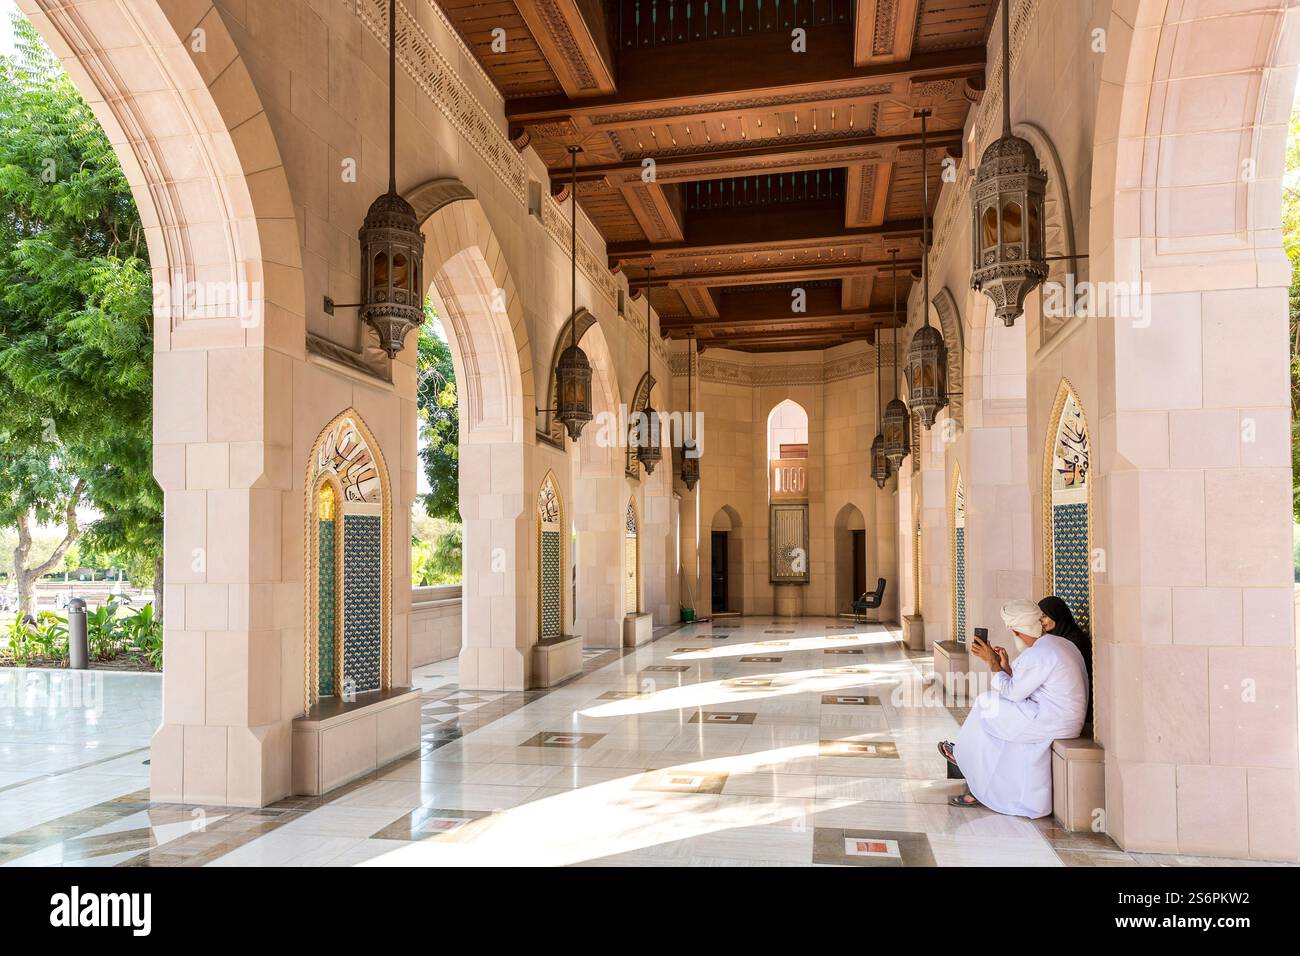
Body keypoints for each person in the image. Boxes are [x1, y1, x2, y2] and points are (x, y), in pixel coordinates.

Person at [936, 599, 1088, 816]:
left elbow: (1013, 693)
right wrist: (1005, 668)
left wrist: (992, 663)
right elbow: (1024, 686)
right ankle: (966, 759)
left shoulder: (1040, 653)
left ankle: (966, 761)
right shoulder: (1058, 644)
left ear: (1016, 631)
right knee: (991, 711)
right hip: (1055, 716)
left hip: (1051, 720)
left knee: (986, 706)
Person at [1038, 595, 1092, 725]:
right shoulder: (1054, 638)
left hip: (1074, 708)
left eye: (1044, 616)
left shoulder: (1075, 641)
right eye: (1039, 617)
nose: (1041, 621)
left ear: (1057, 615)